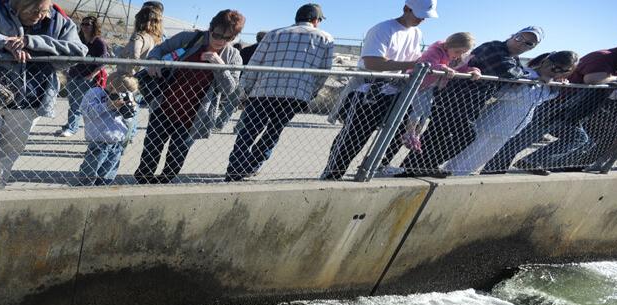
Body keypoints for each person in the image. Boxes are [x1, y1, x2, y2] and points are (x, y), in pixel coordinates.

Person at [0, 0, 87, 190]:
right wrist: (1, 41)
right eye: (36, 10)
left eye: (45, 10)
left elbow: (79, 51)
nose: (43, 16)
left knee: (5, 162)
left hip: (29, 102)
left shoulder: (57, 20)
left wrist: (33, 42)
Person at [401, 26, 542, 176]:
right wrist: (531, 76)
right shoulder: (493, 47)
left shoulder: (513, 58)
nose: (521, 43)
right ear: (513, 35)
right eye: (520, 38)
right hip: (455, 96)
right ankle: (419, 166)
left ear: (532, 48)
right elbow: (509, 72)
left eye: (528, 43)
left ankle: (417, 166)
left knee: (440, 133)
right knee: (460, 134)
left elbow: (516, 74)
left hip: (473, 101)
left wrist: (525, 76)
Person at [321, 0, 436, 180]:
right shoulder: (383, 29)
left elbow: (412, 61)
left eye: (425, 16)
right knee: (354, 136)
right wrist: (413, 65)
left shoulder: (416, 33)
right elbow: (372, 62)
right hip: (369, 90)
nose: (422, 20)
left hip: (396, 91)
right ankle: (333, 174)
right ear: (406, 9)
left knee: (399, 132)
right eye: (419, 15)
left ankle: (375, 166)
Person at [134, 9, 244, 185]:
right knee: (150, 152)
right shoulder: (189, 38)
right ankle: (142, 181)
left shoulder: (232, 56)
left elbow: (229, 89)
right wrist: (154, 61)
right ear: (210, 28)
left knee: (176, 158)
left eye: (227, 38)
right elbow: (160, 49)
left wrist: (218, 65)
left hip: (194, 116)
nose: (220, 41)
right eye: (216, 35)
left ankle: (162, 183)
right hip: (164, 105)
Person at [225, 4, 332, 181]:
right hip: (295, 94)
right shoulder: (326, 38)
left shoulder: (274, 34)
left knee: (249, 130)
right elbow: (323, 72)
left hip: (263, 91)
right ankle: (252, 165)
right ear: (315, 20)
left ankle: (234, 169)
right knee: (274, 131)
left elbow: (255, 63)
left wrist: (247, 88)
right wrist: (311, 92)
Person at [490, 45, 617, 173]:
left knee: (578, 138)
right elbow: (592, 79)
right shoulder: (604, 57)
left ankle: (530, 161)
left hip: (573, 112)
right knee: (520, 141)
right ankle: (493, 172)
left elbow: (614, 91)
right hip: (555, 105)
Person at [443, 51, 578, 176]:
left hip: (510, 129)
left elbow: (543, 98)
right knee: (466, 156)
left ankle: (457, 178)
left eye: (564, 71)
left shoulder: (547, 85)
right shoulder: (524, 74)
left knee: (478, 160)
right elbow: (501, 93)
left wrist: (556, 87)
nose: (557, 73)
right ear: (546, 62)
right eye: (556, 68)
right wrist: (531, 83)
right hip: (492, 122)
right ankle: (447, 175)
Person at [400, 32, 479, 154]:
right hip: (417, 85)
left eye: (463, 53)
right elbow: (427, 63)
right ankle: (408, 134)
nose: (459, 55)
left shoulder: (453, 56)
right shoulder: (435, 51)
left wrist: (474, 70)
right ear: (448, 46)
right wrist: (443, 68)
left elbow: (461, 69)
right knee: (417, 110)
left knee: (426, 113)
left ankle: (416, 135)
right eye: (458, 52)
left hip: (429, 87)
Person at [113, 6, 163, 143]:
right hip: (140, 79)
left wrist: (123, 56)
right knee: (132, 110)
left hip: (126, 78)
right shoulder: (154, 39)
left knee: (122, 111)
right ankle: (129, 136)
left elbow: (135, 56)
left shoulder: (139, 36)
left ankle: (122, 138)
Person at [79, 74, 139, 184]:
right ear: (111, 87)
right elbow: (87, 111)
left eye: (128, 93)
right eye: (122, 93)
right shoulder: (96, 93)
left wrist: (131, 107)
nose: (124, 96)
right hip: (99, 141)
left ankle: (102, 188)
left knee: (109, 171)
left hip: (118, 142)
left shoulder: (127, 97)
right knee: (90, 169)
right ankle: (84, 187)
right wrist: (108, 105)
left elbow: (131, 119)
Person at [57, 14, 109, 138]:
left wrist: (92, 75)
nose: (84, 27)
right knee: (72, 102)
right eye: (83, 24)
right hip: (73, 75)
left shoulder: (98, 42)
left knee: (77, 103)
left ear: (94, 27)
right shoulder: (79, 39)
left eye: (88, 24)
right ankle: (69, 125)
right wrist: (66, 70)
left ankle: (72, 128)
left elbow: (103, 61)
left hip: (86, 78)